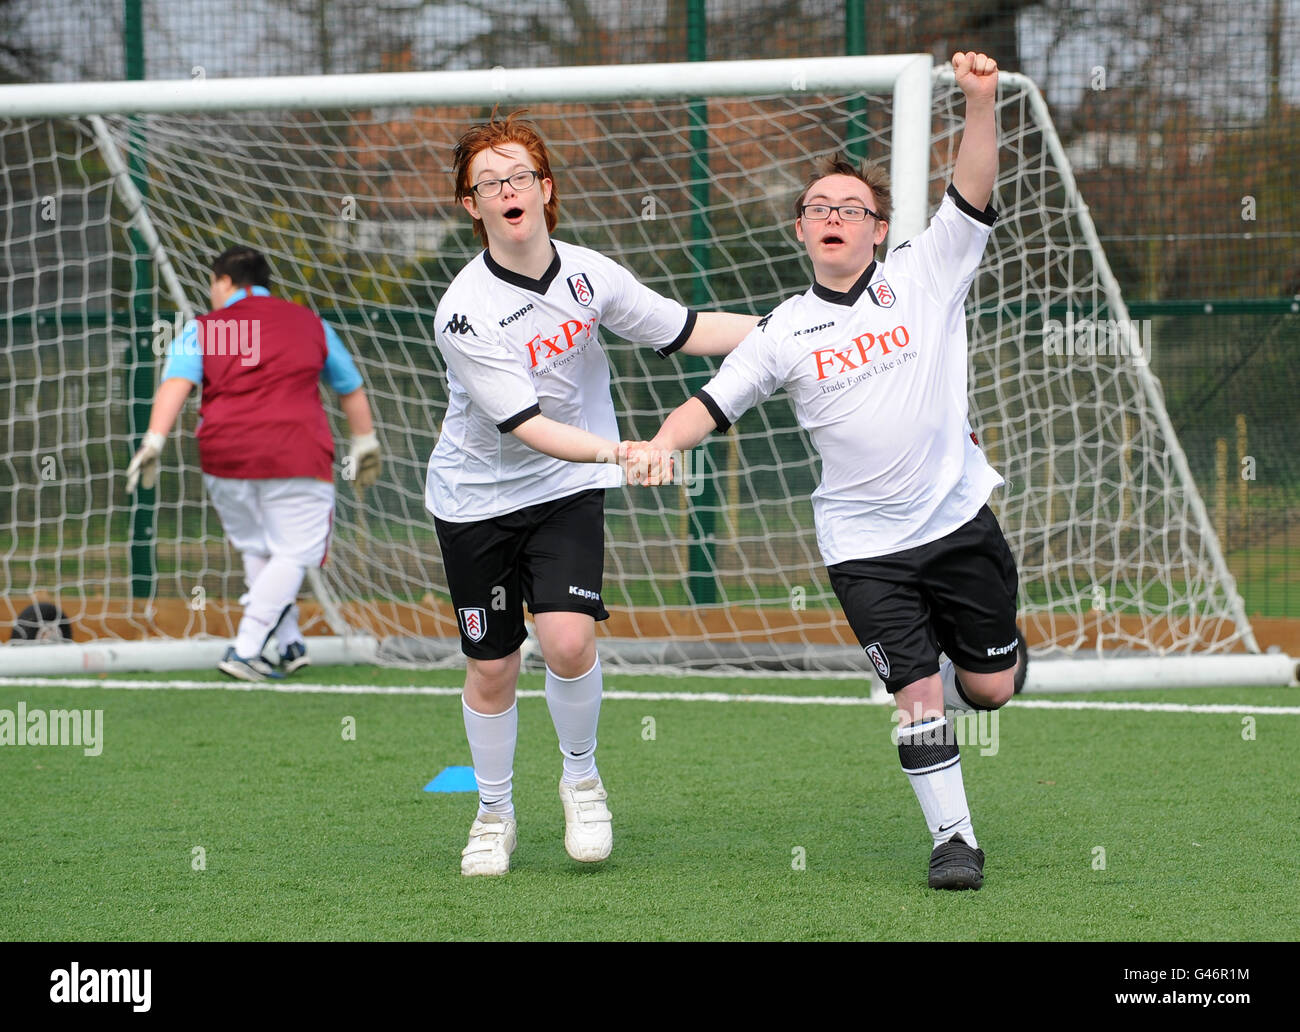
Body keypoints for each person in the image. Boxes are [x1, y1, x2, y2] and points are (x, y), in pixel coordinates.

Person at [648, 52, 1025, 890]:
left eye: (850, 208)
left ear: (879, 229)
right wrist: (657, 446)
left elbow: (970, 186)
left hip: (957, 520)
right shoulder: (782, 330)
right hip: (863, 548)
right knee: (916, 695)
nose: (833, 216)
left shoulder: (929, 274)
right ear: (801, 231)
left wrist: (980, 101)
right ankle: (954, 840)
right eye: (817, 207)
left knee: (991, 689)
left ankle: (985, 667)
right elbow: (710, 405)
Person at [429, 111, 758, 877]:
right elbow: (527, 425)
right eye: (488, 182)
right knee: (493, 667)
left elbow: (683, 329)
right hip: (476, 500)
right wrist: (623, 450)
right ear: (470, 206)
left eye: (519, 176)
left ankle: (582, 779)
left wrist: (790, 328)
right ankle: (494, 812)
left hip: (566, 489)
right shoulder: (464, 311)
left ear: (544, 190)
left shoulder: (588, 274)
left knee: (570, 640)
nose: (507, 190)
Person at [125, 245, 381, 681]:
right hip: (297, 451)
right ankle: (245, 648)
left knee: (260, 547)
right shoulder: (309, 323)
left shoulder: (207, 328)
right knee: (294, 551)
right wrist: (365, 441)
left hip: (225, 455)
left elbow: (176, 384)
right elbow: (349, 387)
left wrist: (153, 440)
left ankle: (289, 643)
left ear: (225, 282)